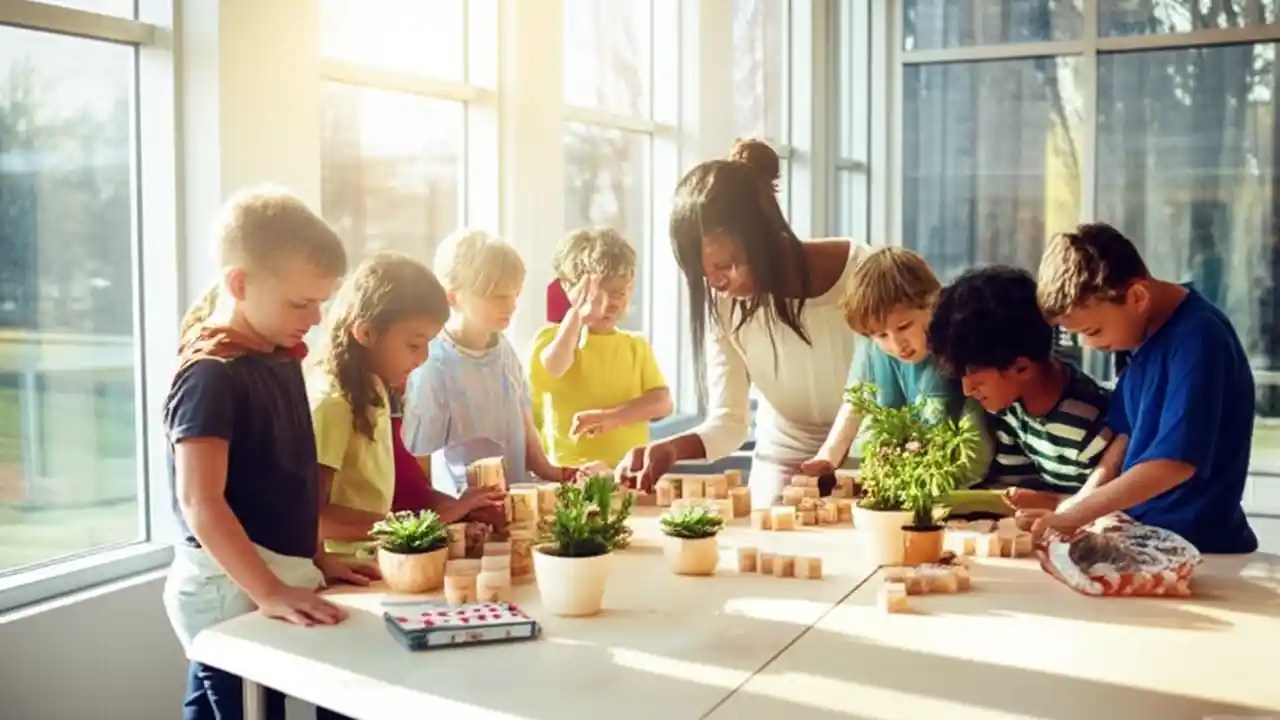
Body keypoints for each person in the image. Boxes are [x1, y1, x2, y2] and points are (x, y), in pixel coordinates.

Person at [162, 187, 374, 720]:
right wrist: (271, 590)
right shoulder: (211, 373)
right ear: (240, 283)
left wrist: (314, 556)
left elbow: (284, 477)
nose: (317, 317)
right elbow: (201, 501)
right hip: (229, 586)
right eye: (301, 303)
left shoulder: (276, 355)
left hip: (276, 572)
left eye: (321, 302)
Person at [615, 138, 871, 509]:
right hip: (785, 460)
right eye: (705, 274)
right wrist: (670, 449)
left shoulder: (864, 273)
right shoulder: (725, 304)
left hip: (870, 454)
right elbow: (729, 422)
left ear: (765, 236)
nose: (717, 284)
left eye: (724, 266)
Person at [1031, 222, 1257, 553]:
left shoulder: (1199, 339)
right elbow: (1126, 435)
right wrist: (1077, 504)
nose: (1089, 345)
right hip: (1140, 534)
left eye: (1093, 331)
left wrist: (1074, 518)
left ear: (1137, 297)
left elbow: (1174, 463)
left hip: (1198, 547)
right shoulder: (1135, 333)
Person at [309, 252, 506, 557]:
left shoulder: (375, 394)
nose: (424, 357)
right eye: (414, 345)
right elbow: (314, 518)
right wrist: (423, 522)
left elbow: (406, 490)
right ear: (366, 333)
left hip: (380, 559)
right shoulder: (333, 404)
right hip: (348, 570)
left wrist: (462, 509)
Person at [404, 229, 603, 487]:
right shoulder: (432, 364)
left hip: (515, 501)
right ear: (453, 297)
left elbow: (524, 424)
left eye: (515, 295)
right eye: (499, 296)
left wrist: (552, 471)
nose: (511, 306)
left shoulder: (505, 351)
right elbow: (421, 459)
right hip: (462, 515)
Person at [804, 247, 995, 505]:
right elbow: (854, 405)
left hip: (957, 486)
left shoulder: (956, 341)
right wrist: (827, 457)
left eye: (904, 326)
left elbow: (975, 449)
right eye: (881, 335)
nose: (897, 344)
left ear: (933, 303)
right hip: (897, 481)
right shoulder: (872, 349)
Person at [927, 265, 1117, 511]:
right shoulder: (1009, 407)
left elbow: (1107, 514)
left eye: (974, 374)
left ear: (1022, 368)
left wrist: (1052, 504)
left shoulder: (1087, 428)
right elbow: (1012, 490)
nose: (966, 390)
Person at [528, 227, 673, 467]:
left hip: (630, 476)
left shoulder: (636, 346)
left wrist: (614, 417)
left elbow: (663, 402)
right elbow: (555, 367)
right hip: (570, 477)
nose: (610, 304)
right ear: (567, 288)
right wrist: (578, 316)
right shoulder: (551, 339)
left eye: (619, 293)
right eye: (597, 296)